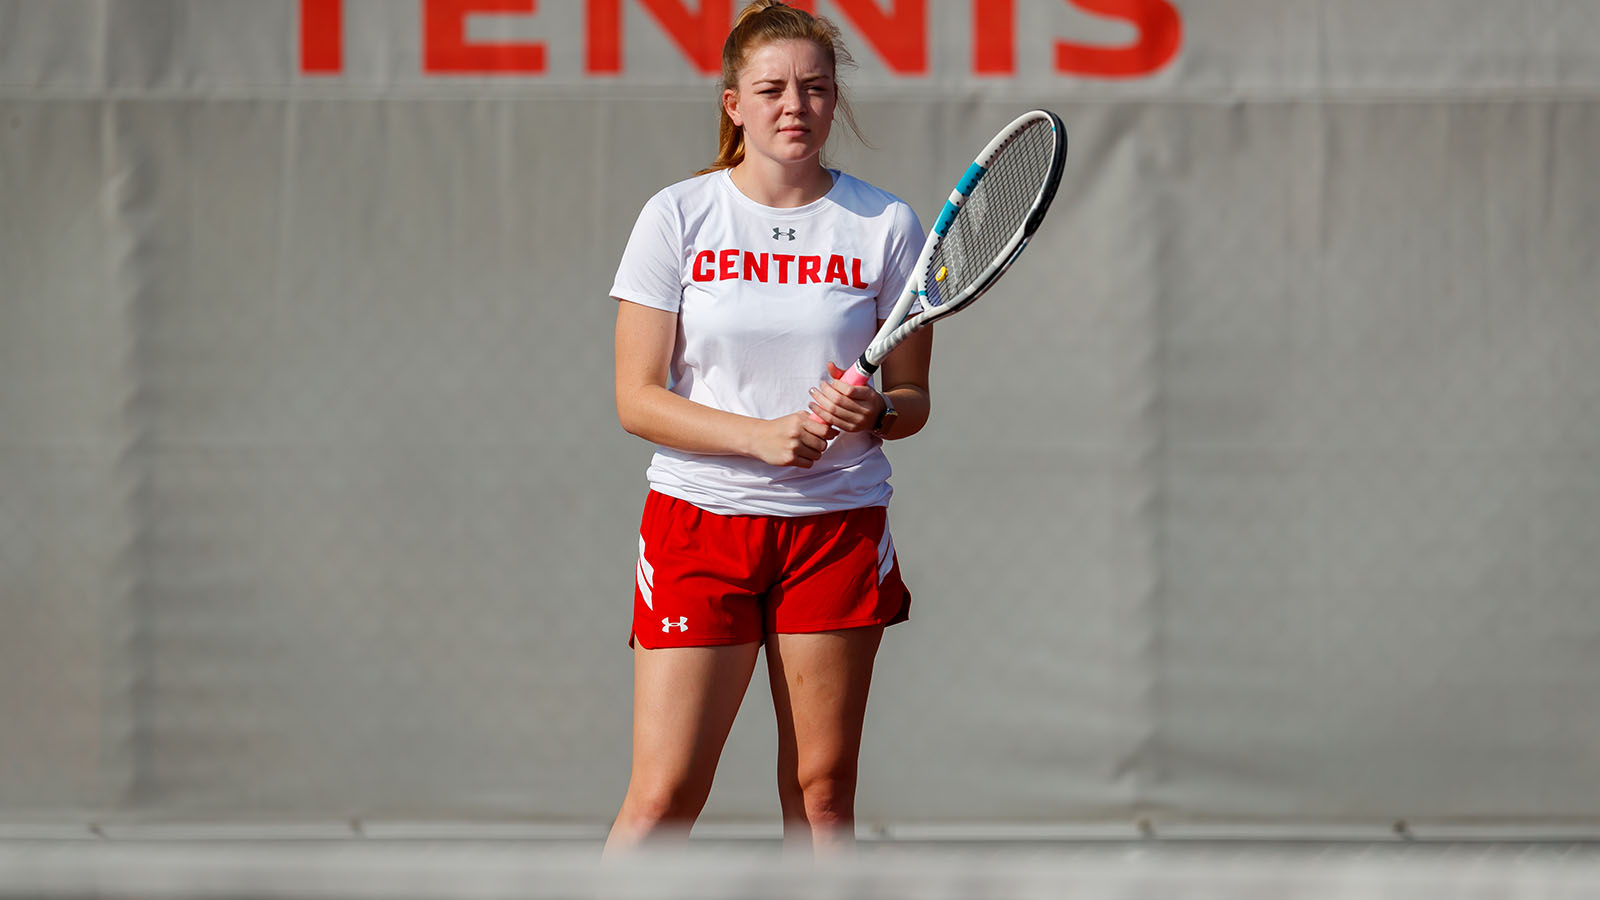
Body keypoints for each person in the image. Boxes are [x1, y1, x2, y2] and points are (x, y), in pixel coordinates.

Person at [604, 0, 932, 857]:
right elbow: (636, 398)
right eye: (773, 88)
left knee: (822, 797)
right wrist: (758, 437)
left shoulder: (886, 226)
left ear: (834, 102)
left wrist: (879, 411)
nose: (797, 106)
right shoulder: (677, 217)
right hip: (698, 524)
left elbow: (913, 400)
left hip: (835, 528)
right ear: (733, 103)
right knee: (663, 794)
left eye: (816, 88)